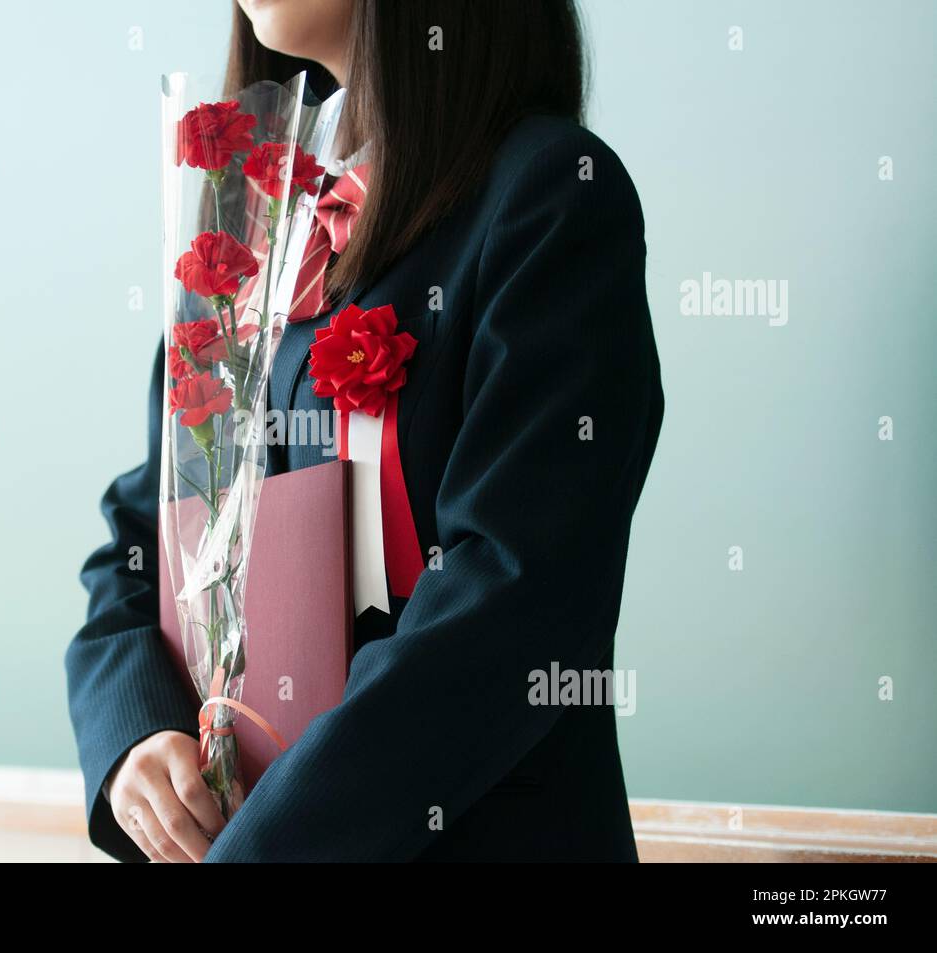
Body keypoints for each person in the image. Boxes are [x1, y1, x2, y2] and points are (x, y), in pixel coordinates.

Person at [65, 0, 664, 862]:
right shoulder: (251, 223)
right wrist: (136, 736)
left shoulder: (549, 194)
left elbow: (513, 594)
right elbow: (144, 534)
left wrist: (265, 848)